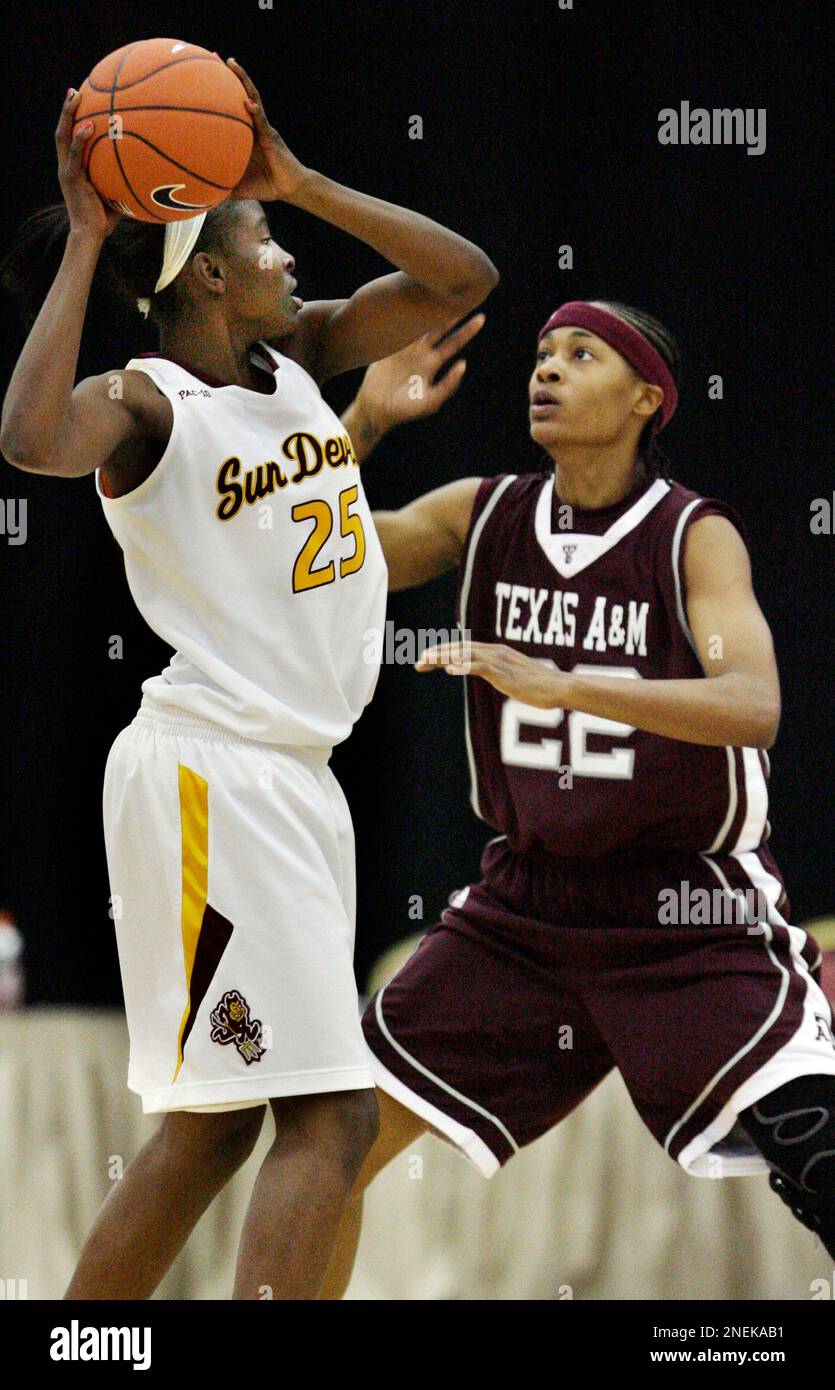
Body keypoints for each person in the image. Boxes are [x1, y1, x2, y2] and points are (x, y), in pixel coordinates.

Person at [0, 59, 497, 1300]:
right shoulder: (149, 402)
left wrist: (302, 180)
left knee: (220, 1123)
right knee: (330, 1121)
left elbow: (463, 279)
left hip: (292, 780)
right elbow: (29, 438)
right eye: (265, 234)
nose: (287, 254)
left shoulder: (302, 363)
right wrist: (87, 245)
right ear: (208, 273)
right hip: (212, 773)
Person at [317, 300, 835, 1298]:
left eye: (580, 355)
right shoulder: (482, 511)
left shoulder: (692, 535)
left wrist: (566, 684)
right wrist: (364, 423)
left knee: (817, 1154)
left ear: (646, 397)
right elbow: (311, 557)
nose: (545, 370)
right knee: (329, 1137)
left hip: (687, 913)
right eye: (542, 354)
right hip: (526, 908)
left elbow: (752, 703)